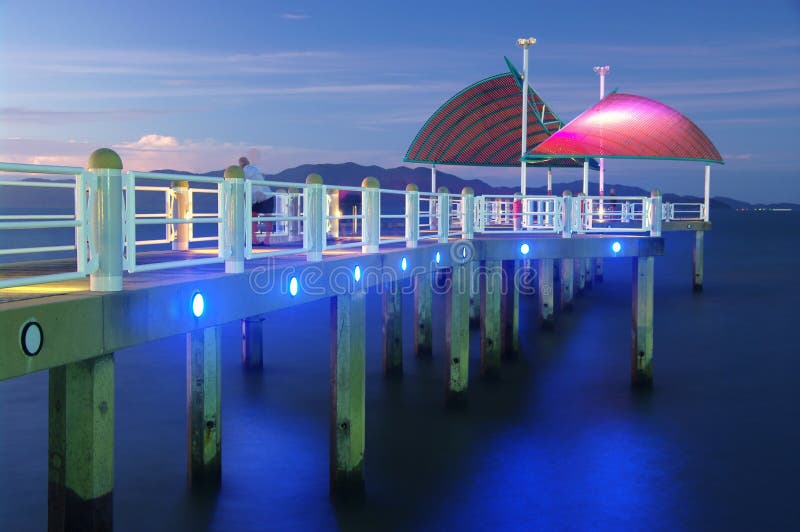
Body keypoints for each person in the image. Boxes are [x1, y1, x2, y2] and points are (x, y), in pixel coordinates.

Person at [239, 156, 275, 246]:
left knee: (253, 218)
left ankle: (254, 240)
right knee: (266, 219)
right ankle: (265, 240)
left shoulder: (245, 171)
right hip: (265, 196)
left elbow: (242, 183)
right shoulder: (254, 170)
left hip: (260, 197)